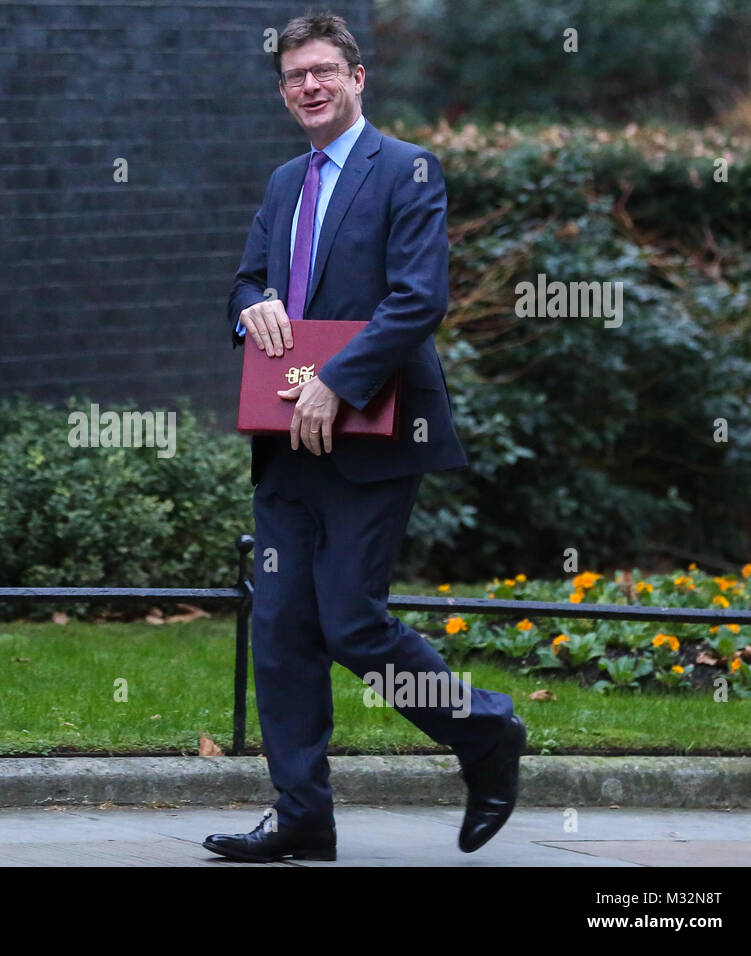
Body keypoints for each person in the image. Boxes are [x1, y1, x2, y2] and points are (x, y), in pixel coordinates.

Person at [203, 12, 525, 863]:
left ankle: (485, 729)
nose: (307, 86)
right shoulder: (283, 184)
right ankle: (302, 815)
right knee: (279, 630)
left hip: (376, 433)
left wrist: (336, 384)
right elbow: (242, 283)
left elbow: (418, 299)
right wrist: (253, 308)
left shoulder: (407, 169)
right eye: (292, 77)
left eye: (322, 71)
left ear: (357, 78)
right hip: (283, 439)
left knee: (350, 624)